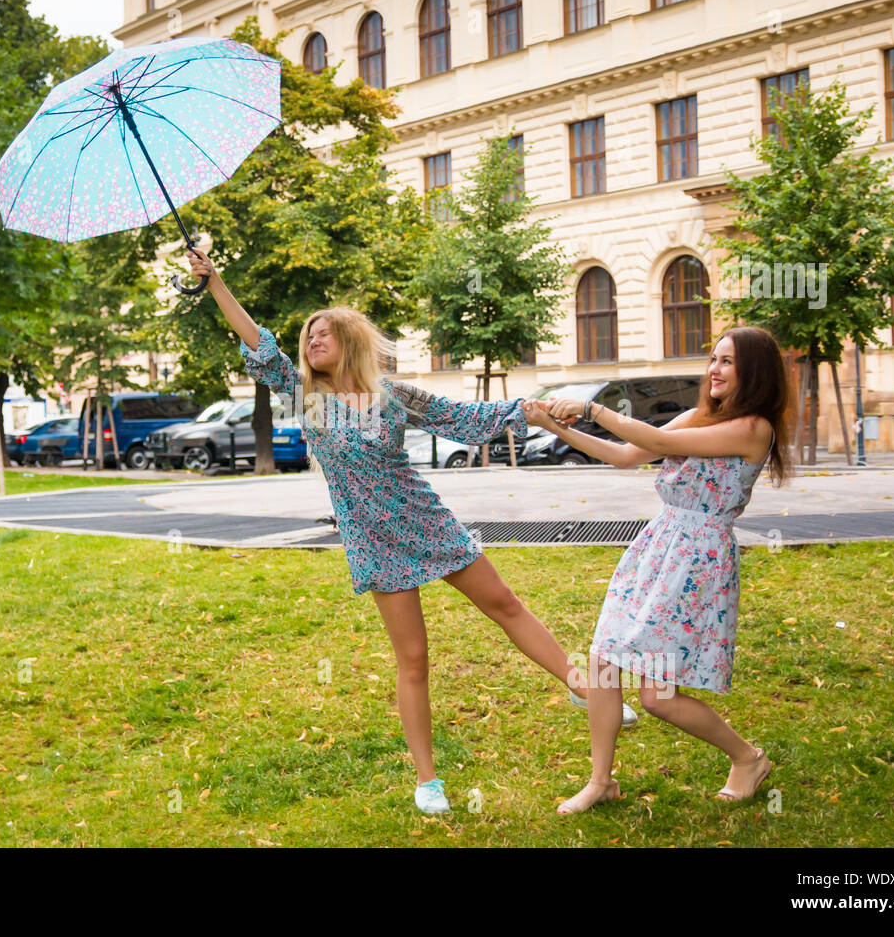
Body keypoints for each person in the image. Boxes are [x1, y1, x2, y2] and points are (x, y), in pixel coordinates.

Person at [185, 245, 637, 815]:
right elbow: (259, 344)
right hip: (374, 540)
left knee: (506, 605)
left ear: (349, 341)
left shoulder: (392, 396)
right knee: (414, 659)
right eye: (308, 336)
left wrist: (529, 408)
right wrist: (217, 282)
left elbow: (465, 419)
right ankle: (428, 781)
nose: (312, 341)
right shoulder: (309, 400)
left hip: (426, 520)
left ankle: (579, 685)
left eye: (323, 333)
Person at [523, 326, 791, 815]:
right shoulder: (699, 416)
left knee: (657, 697)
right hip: (657, 546)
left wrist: (589, 408)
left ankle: (748, 758)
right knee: (604, 657)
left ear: (755, 371)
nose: (714, 368)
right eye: (713, 358)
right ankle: (601, 781)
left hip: (697, 563)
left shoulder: (754, 429)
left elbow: (651, 436)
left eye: (728, 361)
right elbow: (628, 455)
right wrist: (551, 427)